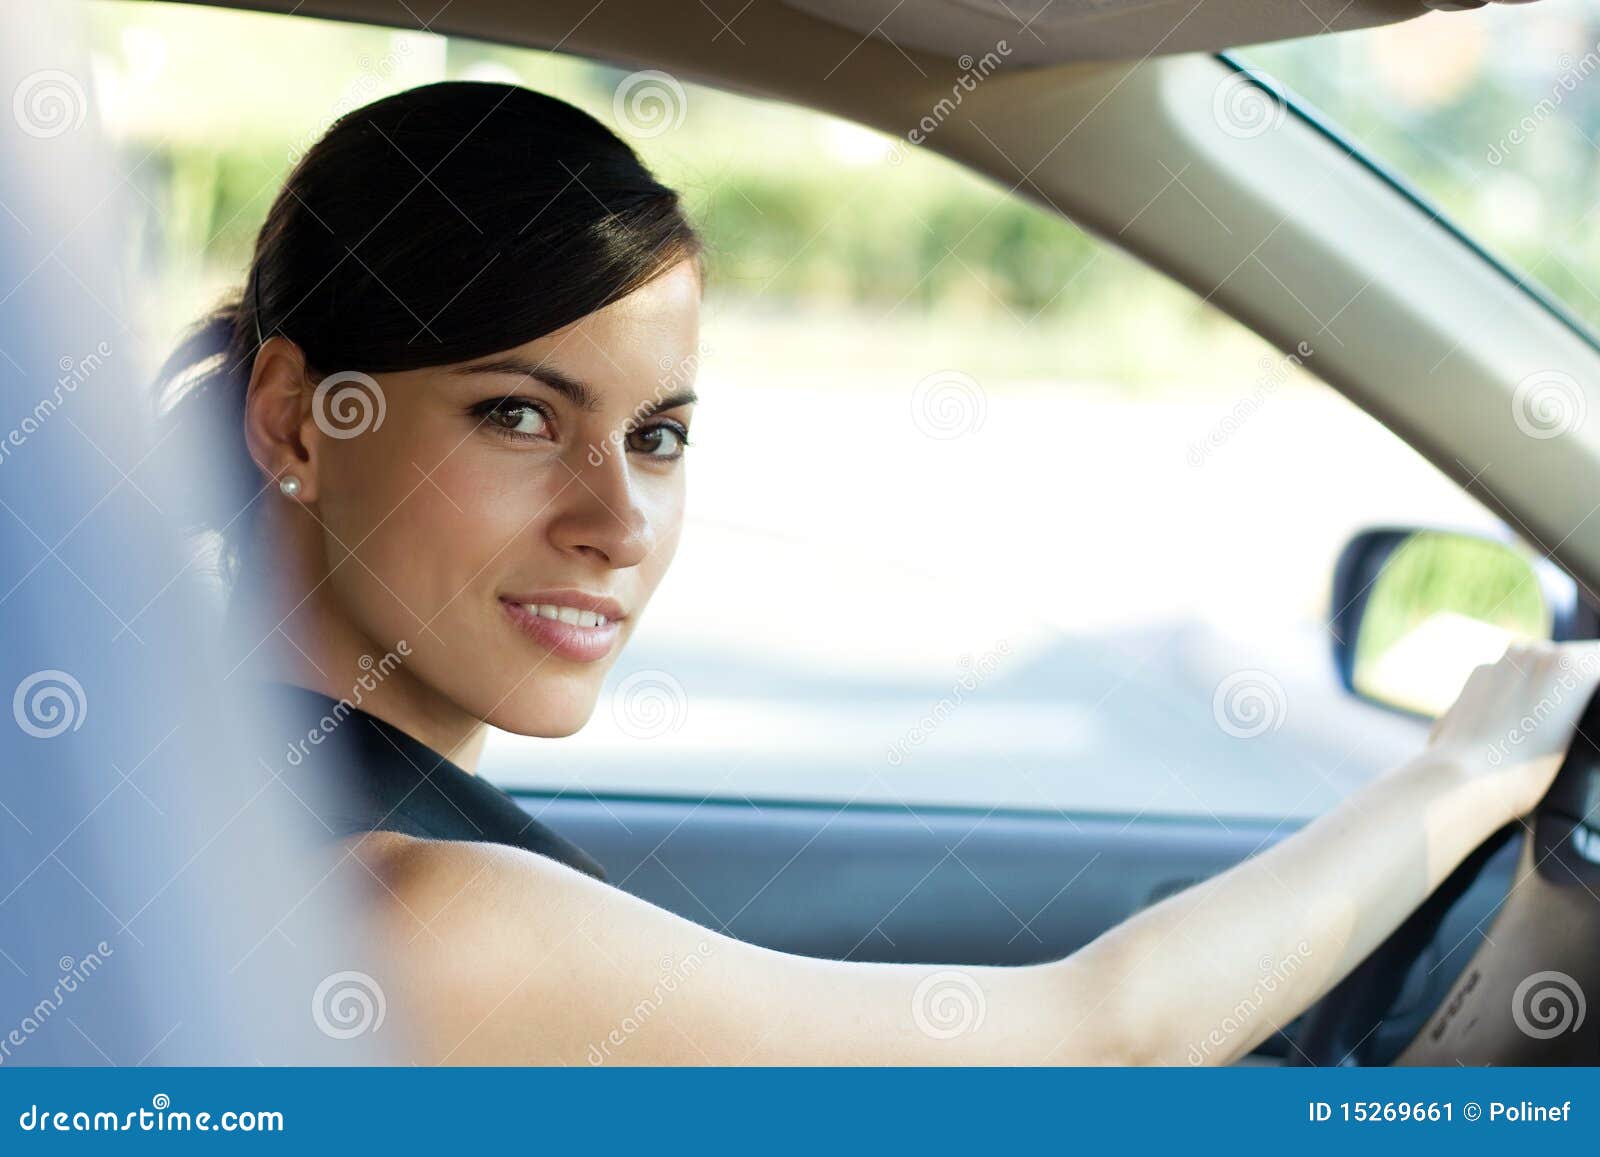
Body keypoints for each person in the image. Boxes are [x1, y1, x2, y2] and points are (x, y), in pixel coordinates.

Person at [157, 80, 1600, 1064]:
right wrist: (1467, 767)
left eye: (658, 436)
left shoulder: (214, 800)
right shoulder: (413, 917)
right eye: (520, 415)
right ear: (297, 417)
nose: (618, 519)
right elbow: (1102, 1036)